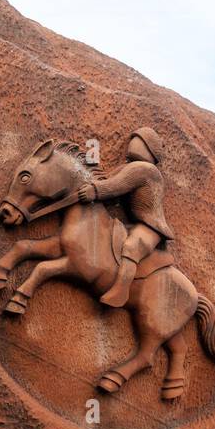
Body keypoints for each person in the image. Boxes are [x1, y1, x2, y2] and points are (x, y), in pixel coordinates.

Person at [75, 126, 175, 307]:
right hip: (136, 224)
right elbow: (107, 178)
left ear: (148, 148)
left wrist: (95, 191)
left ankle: (121, 292)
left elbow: (116, 186)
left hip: (150, 227)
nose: (133, 144)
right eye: (134, 139)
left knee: (131, 247)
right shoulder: (130, 167)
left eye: (138, 140)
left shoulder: (146, 169)